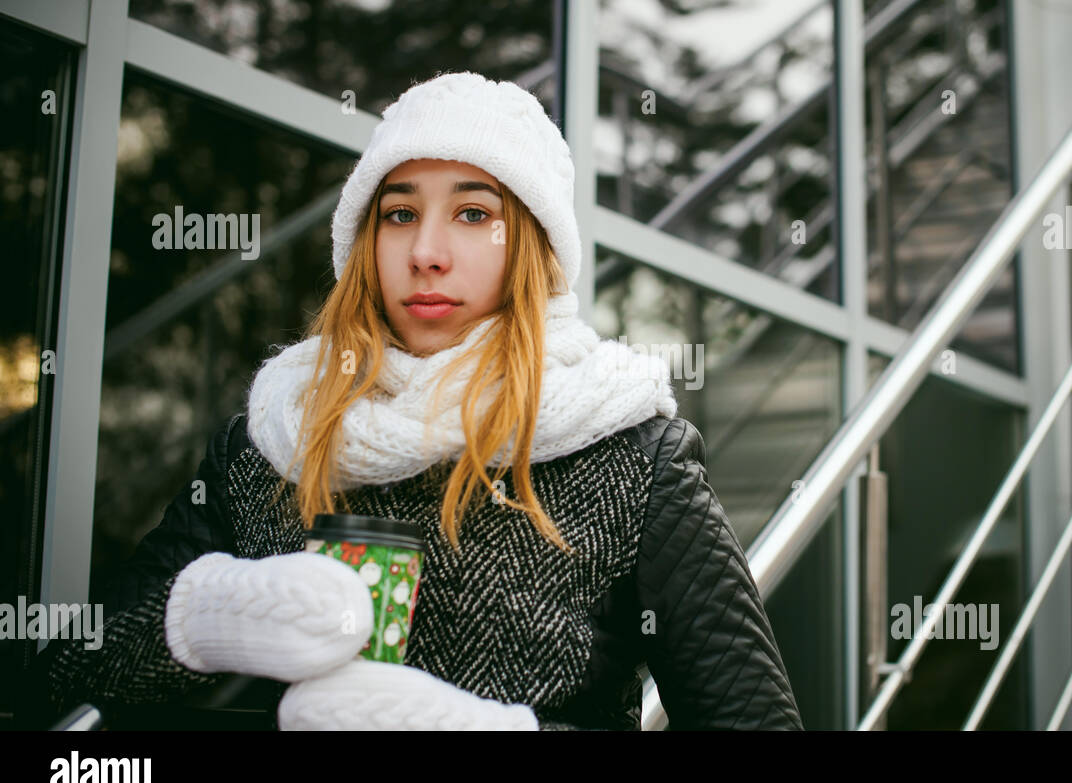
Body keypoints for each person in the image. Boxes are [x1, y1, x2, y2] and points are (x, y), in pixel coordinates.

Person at [37, 71, 803, 731]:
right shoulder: (271, 440)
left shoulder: (633, 456)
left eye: (474, 214)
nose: (426, 250)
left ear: (530, 244)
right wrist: (199, 620)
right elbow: (68, 673)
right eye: (399, 212)